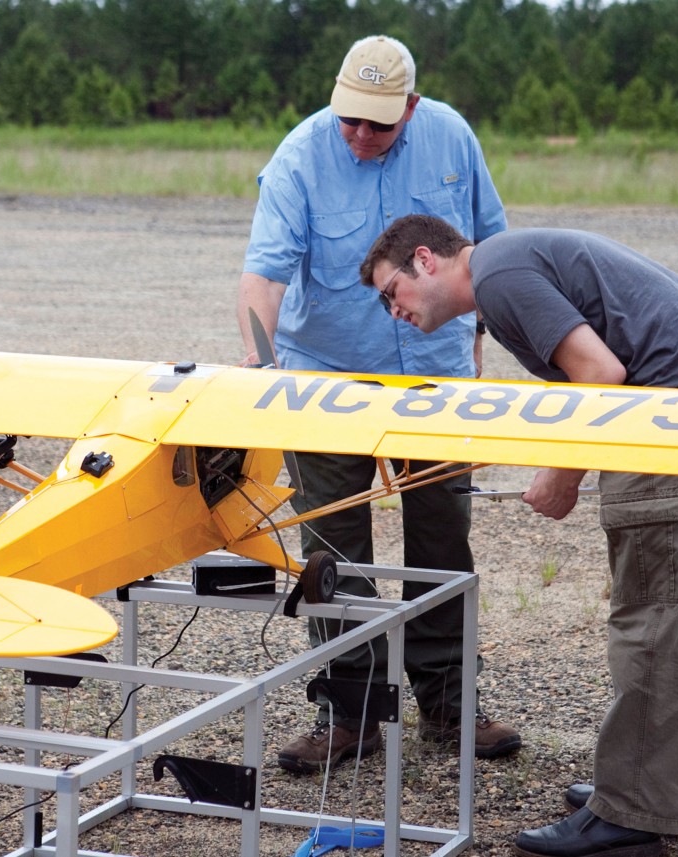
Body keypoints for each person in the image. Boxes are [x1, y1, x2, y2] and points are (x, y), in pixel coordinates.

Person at [360, 215, 678, 857]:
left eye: (393, 292)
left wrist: (561, 478)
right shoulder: (512, 263)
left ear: (427, 259)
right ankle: (666, 792)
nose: (395, 311)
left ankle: (633, 817)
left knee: (655, 620)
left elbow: (601, 375)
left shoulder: (497, 274)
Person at [236, 35, 520, 774]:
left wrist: (481, 336)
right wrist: (262, 368)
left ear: (412, 107)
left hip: (434, 378)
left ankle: (450, 704)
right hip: (326, 380)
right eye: (349, 119)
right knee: (333, 550)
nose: (360, 135)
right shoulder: (300, 155)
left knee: (442, 537)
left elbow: (492, 251)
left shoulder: (453, 136)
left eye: (379, 123)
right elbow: (262, 277)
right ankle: (350, 711)